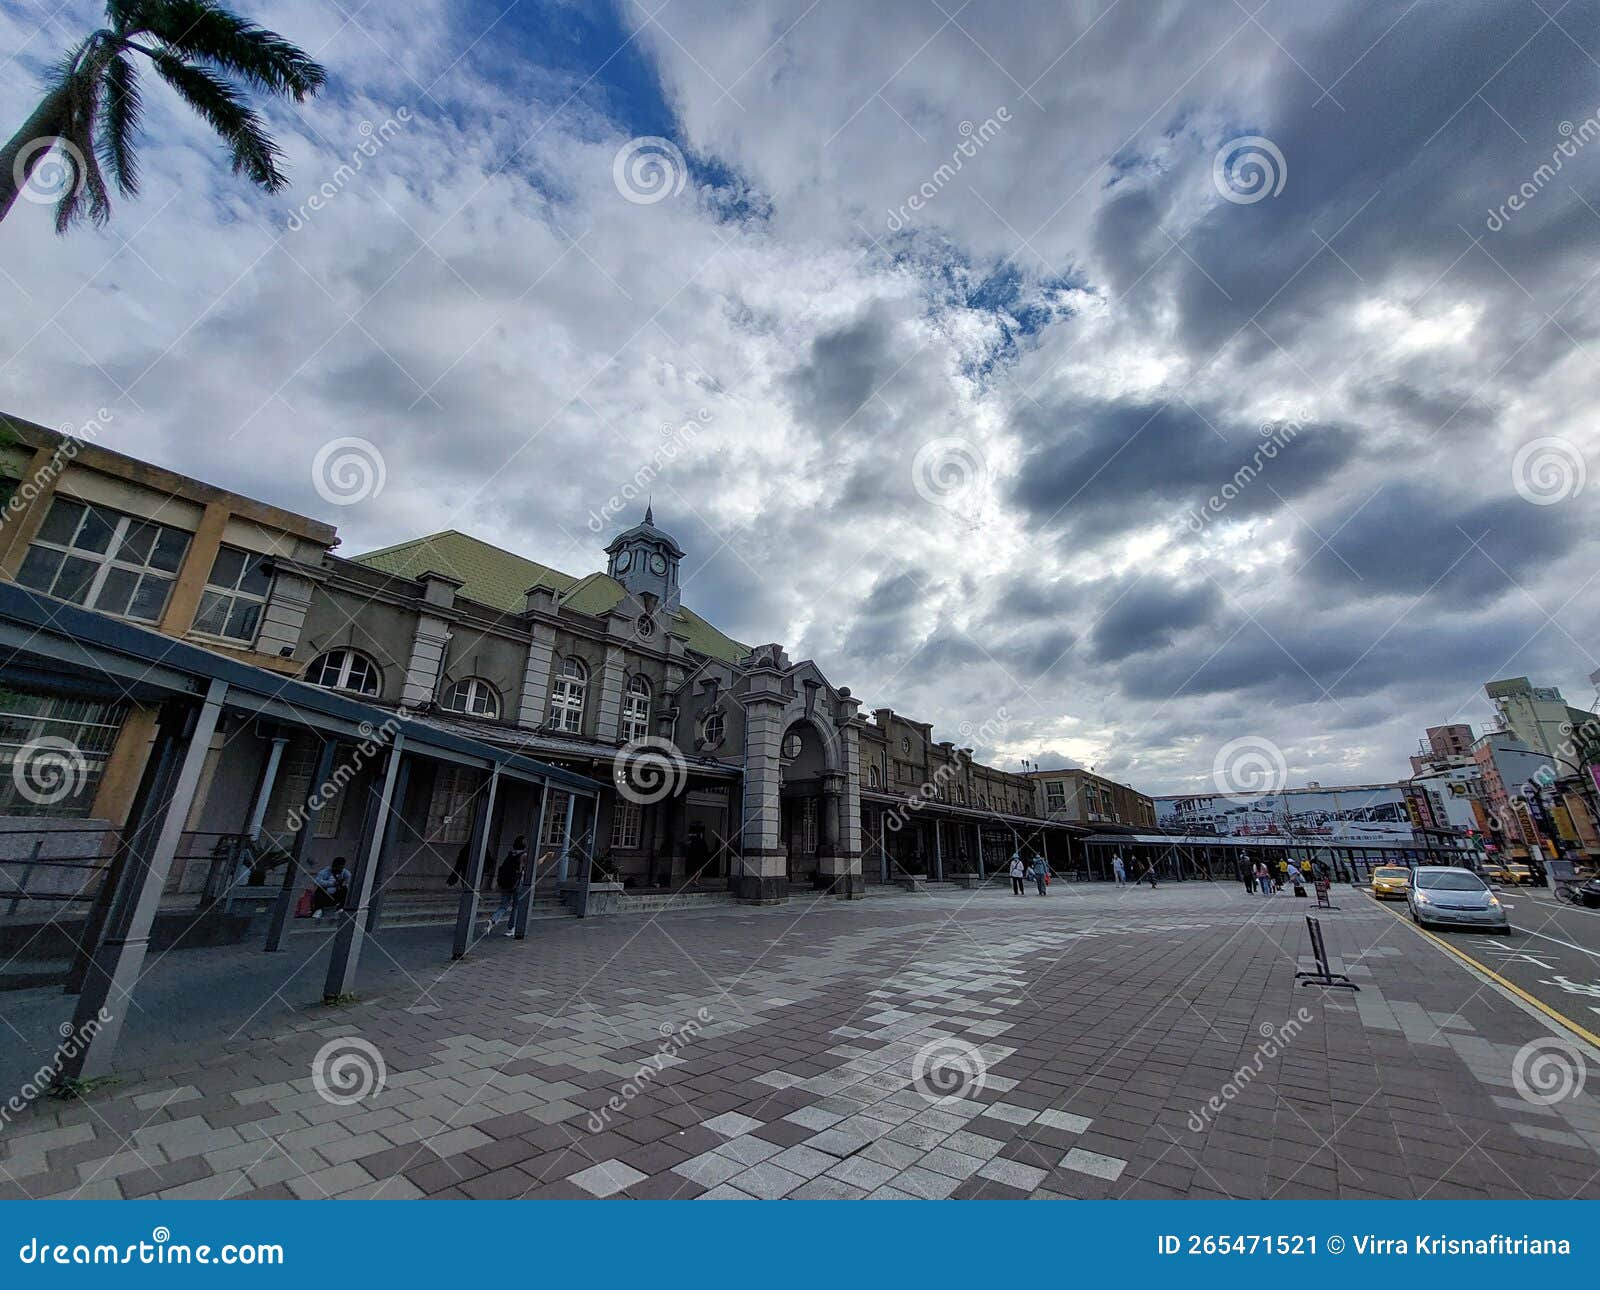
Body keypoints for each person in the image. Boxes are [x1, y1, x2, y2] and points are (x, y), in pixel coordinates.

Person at [485, 836, 528, 936]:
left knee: (504, 905)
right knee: (516, 906)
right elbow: (535, 863)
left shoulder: (510, 854)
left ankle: (493, 919)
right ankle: (511, 928)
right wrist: (546, 856)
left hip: (506, 883)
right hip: (517, 883)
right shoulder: (523, 855)